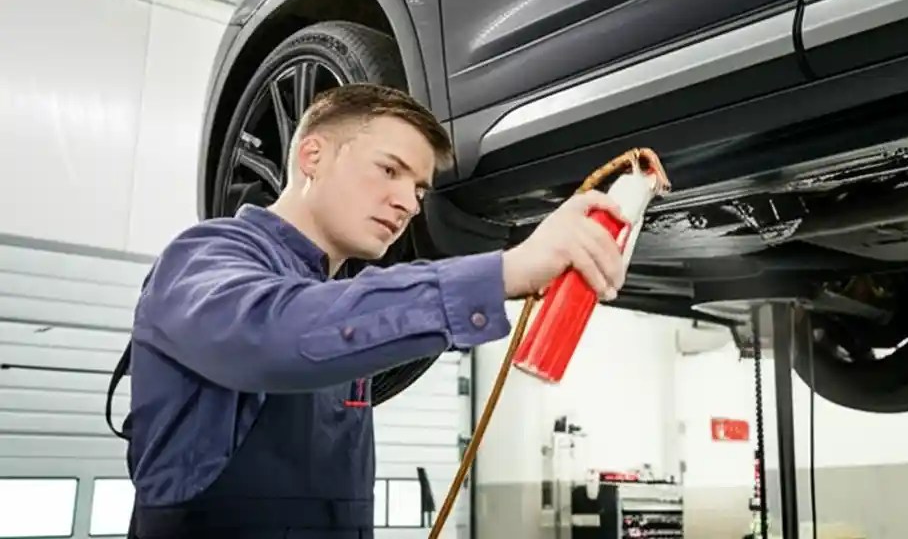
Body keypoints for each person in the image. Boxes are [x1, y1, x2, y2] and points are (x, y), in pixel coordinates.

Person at [114, 83, 629, 538]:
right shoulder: (203, 256)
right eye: (389, 170)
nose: (408, 202)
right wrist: (503, 272)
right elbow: (274, 335)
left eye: (419, 189)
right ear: (312, 156)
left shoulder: (336, 295)